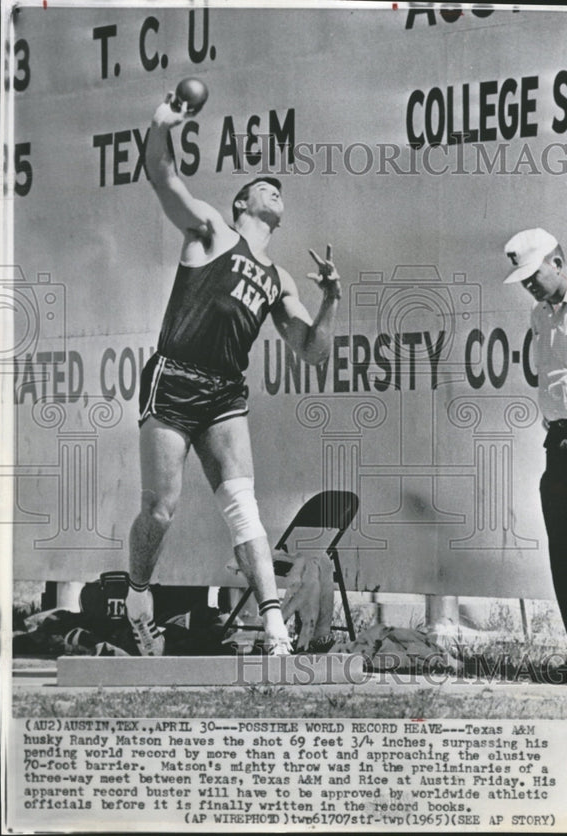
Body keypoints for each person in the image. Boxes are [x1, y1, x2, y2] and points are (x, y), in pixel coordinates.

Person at [126, 91, 342, 656]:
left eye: (281, 190)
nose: (277, 190)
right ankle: (137, 596)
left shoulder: (280, 279)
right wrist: (160, 123)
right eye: (265, 186)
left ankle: (273, 628)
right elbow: (163, 176)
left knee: (243, 505)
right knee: (160, 509)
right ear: (243, 202)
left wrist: (331, 301)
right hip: (174, 378)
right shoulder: (211, 231)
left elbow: (311, 350)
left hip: (223, 392)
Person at [503, 228, 567, 683]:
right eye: (523, 279)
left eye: (534, 275)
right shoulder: (540, 314)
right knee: (563, 549)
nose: (529, 285)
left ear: (558, 261)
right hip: (557, 441)